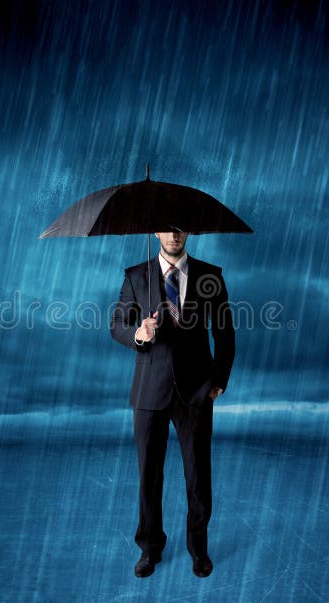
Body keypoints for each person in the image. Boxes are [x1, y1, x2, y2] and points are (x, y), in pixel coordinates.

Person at [110, 230, 236, 578]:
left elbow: (224, 332)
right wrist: (138, 333)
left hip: (196, 391)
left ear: (189, 232)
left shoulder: (211, 276)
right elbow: (116, 324)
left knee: (198, 476)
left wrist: (220, 379)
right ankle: (150, 548)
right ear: (156, 232)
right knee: (149, 475)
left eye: (181, 227)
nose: (174, 233)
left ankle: (199, 549)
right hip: (149, 390)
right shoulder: (136, 276)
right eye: (167, 226)